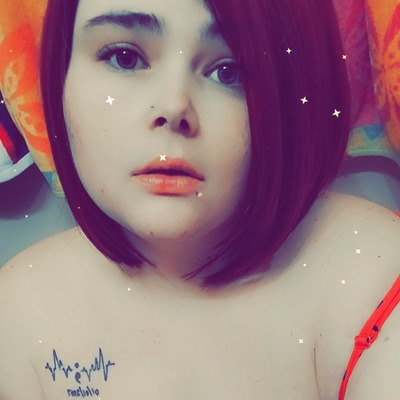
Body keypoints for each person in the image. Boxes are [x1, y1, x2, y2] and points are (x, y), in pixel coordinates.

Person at [0, 0, 399, 399]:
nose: (173, 106)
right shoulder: (18, 311)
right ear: (61, 74)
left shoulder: (373, 281)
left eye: (229, 71)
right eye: (125, 58)